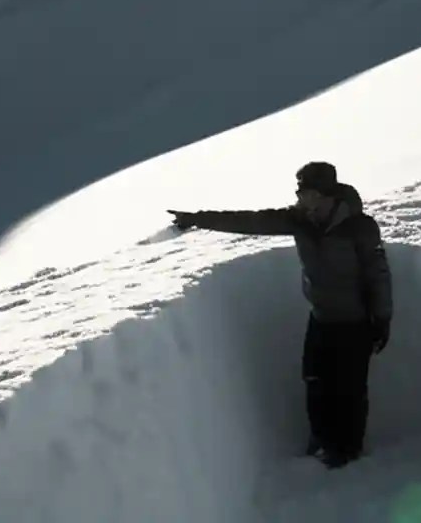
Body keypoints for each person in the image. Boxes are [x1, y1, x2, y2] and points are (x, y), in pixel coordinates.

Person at [168, 161, 392, 469]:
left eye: (307, 193)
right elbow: (251, 221)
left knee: (350, 390)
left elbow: (378, 274)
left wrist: (382, 319)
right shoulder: (299, 221)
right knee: (315, 381)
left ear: (324, 194)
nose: (301, 199)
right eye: (300, 193)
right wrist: (196, 219)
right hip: (321, 319)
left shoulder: (359, 227)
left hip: (354, 323)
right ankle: (321, 442)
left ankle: (348, 450)